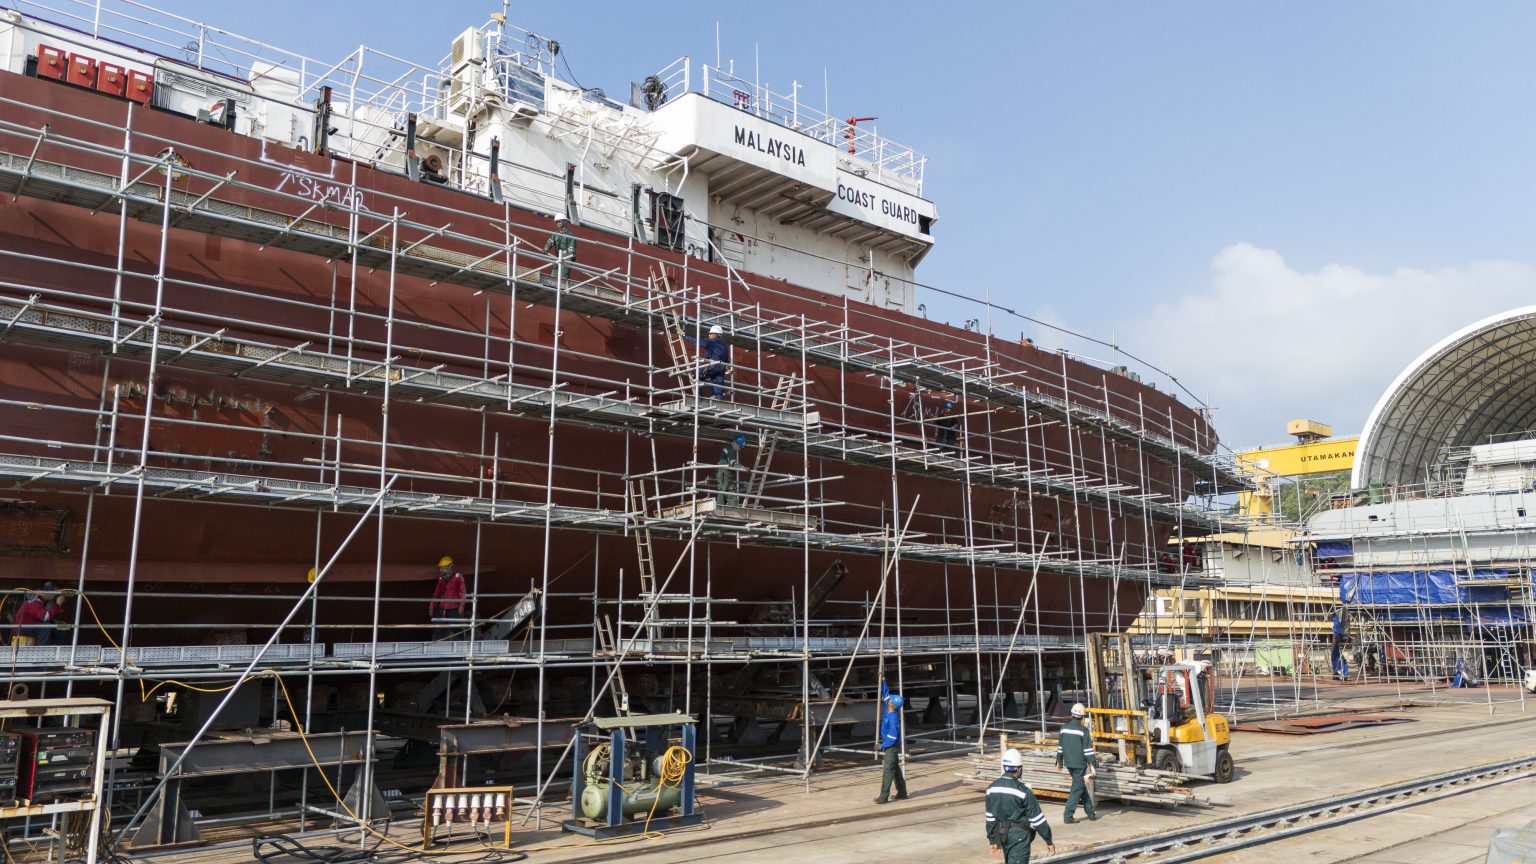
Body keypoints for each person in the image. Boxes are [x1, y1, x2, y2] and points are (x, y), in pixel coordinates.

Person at [986, 749, 1054, 863]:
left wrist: (992, 841)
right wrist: (1049, 841)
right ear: (1018, 768)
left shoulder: (991, 789)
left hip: (1002, 835)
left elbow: (990, 818)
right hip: (1019, 837)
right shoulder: (1023, 791)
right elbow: (1038, 820)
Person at [1056, 702, 1099, 823]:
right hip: (1079, 764)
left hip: (1068, 763)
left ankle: (1091, 813)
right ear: (1082, 717)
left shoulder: (1063, 728)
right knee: (1077, 789)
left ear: (1072, 714)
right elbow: (1088, 750)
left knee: (1080, 786)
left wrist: (1059, 761)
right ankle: (1068, 816)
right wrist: (1093, 764)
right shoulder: (1083, 730)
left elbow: (1060, 747)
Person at [873, 675, 908, 804]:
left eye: (890, 701)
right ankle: (902, 792)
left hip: (891, 747)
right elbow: (886, 693)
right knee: (895, 769)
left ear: (893, 705)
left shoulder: (893, 718)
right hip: (890, 746)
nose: (888, 700)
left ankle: (883, 796)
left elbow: (892, 738)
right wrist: (882, 680)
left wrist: (881, 746)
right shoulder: (890, 708)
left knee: (888, 770)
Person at [686, 324, 731, 400]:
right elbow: (726, 358)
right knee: (718, 386)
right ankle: (717, 400)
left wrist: (685, 336)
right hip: (722, 368)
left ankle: (698, 398)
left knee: (696, 375)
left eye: (710, 333)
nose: (709, 335)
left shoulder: (711, 342)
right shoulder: (724, 345)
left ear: (714, 335)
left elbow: (697, 342)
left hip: (713, 366)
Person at [430, 556, 467, 640]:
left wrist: (461, 606)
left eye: (443, 567)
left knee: (454, 626)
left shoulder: (458, 577)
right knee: (438, 627)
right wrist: (431, 607)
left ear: (449, 566)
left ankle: (462, 641)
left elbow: (463, 592)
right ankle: (437, 645)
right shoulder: (441, 579)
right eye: (441, 568)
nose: (441, 570)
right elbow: (437, 594)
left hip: (453, 608)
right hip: (442, 607)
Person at [542, 215, 576, 285]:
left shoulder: (570, 235)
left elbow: (571, 247)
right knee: (554, 274)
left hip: (566, 258)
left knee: (563, 276)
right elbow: (550, 242)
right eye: (556, 222)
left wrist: (570, 257)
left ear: (565, 222)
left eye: (559, 222)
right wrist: (546, 248)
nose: (558, 224)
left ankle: (561, 288)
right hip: (558, 257)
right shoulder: (555, 234)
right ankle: (552, 287)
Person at [716, 434, 746, 506]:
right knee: (731, 497)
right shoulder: (730, 450)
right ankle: (736, 514)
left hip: (722, 477)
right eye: (739, 447)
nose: (739, 449)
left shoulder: (727, 449)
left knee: (722, 496)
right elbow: (733, 462)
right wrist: (743, 467)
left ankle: (719, 511)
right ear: (735, 443)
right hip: (726, 478)